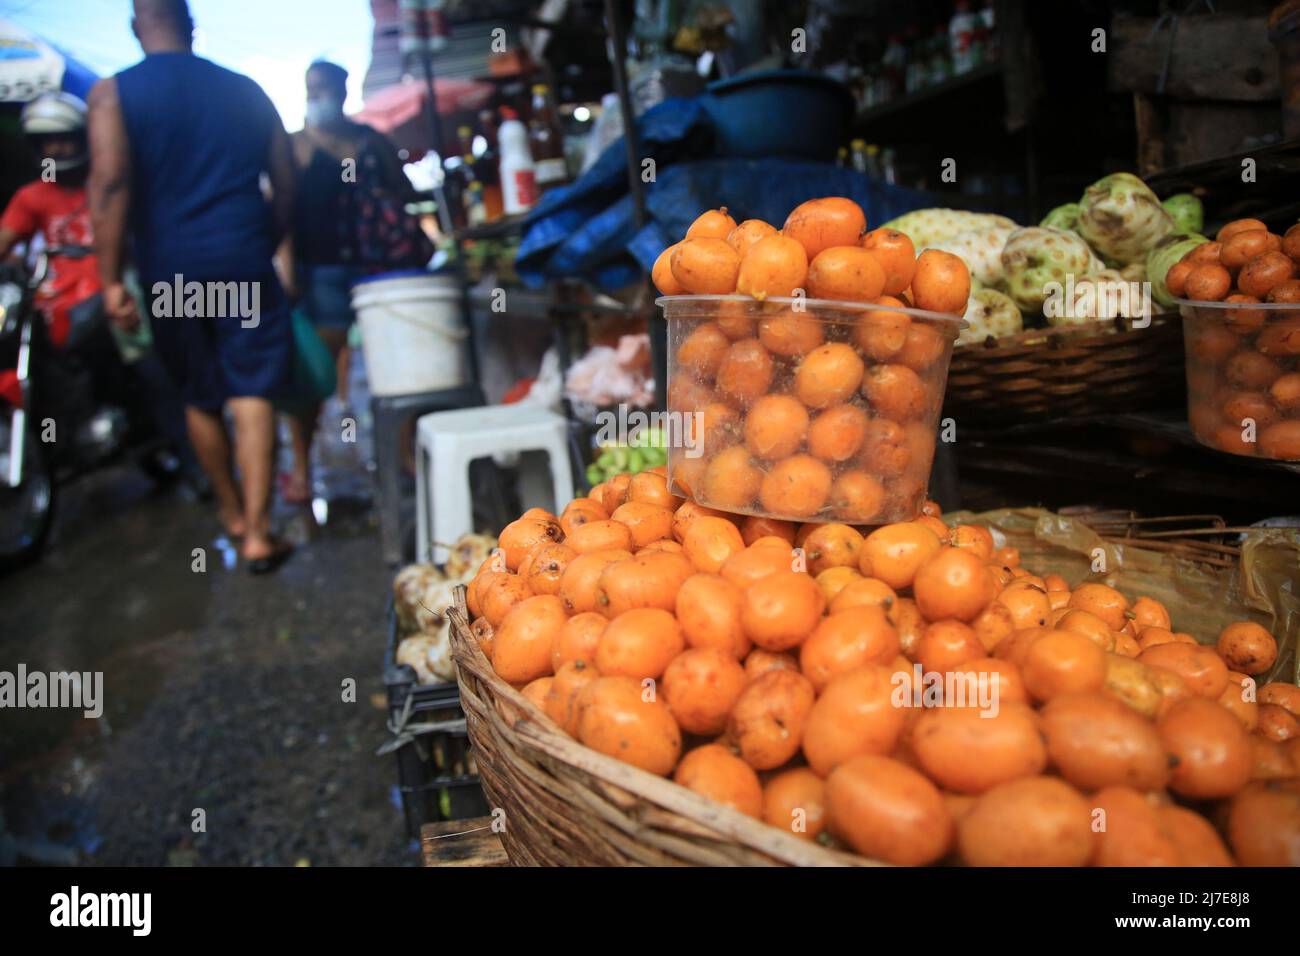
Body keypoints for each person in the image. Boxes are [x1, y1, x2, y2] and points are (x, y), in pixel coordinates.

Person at [89, 0, 297, 573]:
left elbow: (109, 184)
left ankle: (230, 516)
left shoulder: (113, 94)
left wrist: (110, 280)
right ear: (192, 25)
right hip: (242, 262)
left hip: (171, 272)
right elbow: (285, 179)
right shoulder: (246, 90)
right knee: (253, 389)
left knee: (199, 395)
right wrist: (262, 238)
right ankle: (259, 531)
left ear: (136, 28)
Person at [278, 60, 419, 503]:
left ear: (343, 90)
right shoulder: (295, 147)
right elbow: (279, 210)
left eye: (326, 88)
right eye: (311, 89)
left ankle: (405, 457)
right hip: (321, 272)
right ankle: (301, 468)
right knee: (318, 372)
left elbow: (406, 193)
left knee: (397, 368)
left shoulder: (371, 141)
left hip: (379, 271)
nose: (318, 96)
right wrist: (285, 267)